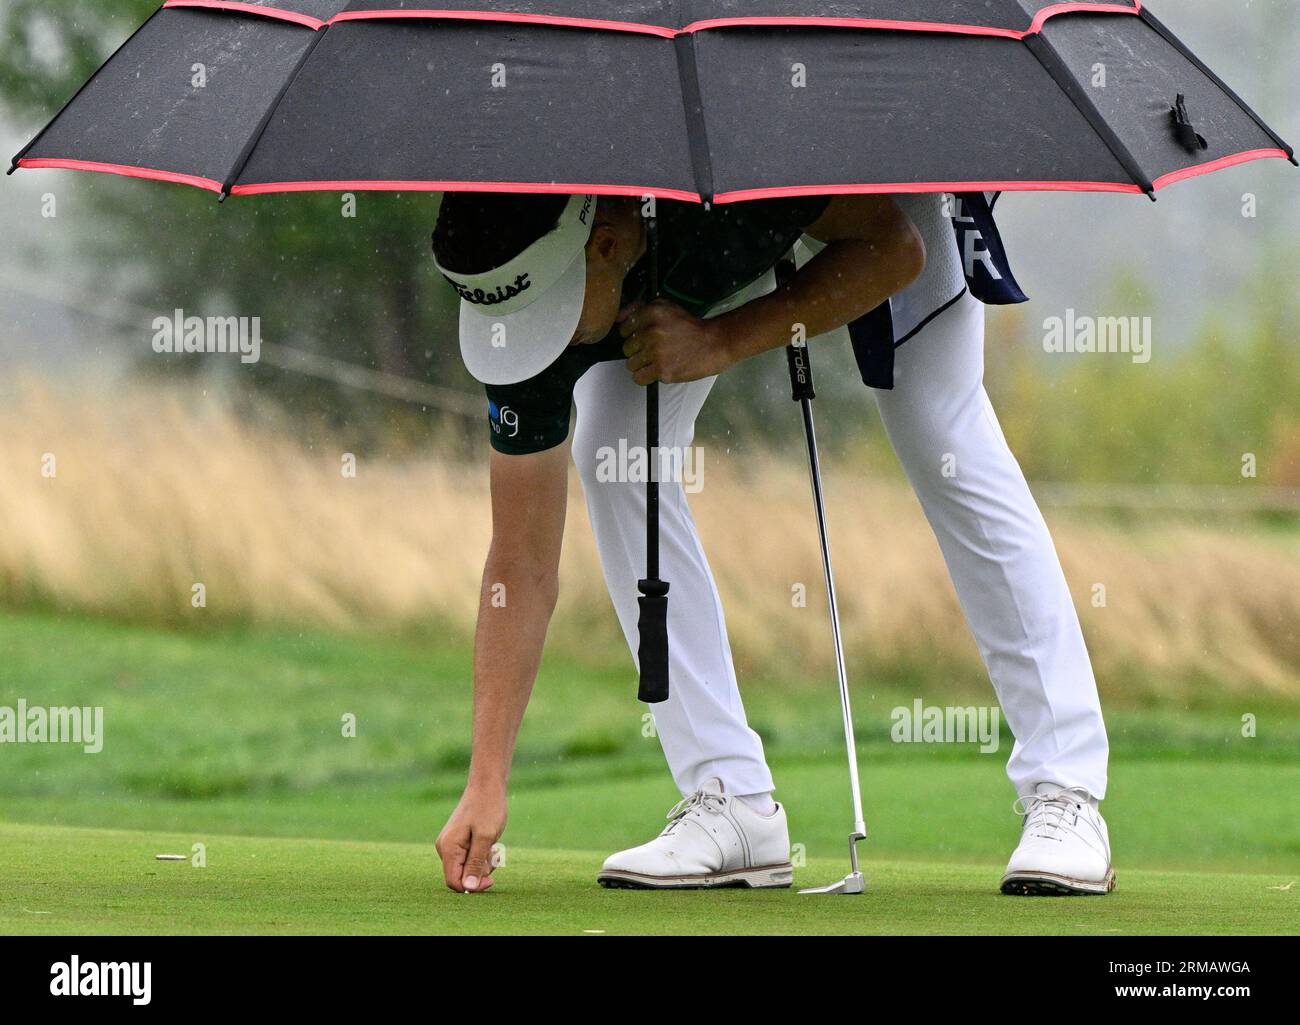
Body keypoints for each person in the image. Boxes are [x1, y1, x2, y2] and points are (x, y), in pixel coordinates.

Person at [430, 190, 1113, 897]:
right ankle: (733, 804)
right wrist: (486, 780)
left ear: (602, 247)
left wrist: (721, 340)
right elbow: (521, 560)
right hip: (689, 219)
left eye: (546, 317)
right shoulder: (524, 317)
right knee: (618, 443)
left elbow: (894, 247)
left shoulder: (742, 193)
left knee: (934, 416)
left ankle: (1066, 792)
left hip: (869, 158)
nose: (531, 340)